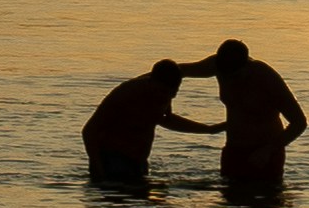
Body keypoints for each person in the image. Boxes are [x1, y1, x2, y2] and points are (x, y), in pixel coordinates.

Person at [181, 39, 307, 200]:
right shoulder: (217, 65)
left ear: (245, 65)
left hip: (264, 154)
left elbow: (299, 122)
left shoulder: (265, 76)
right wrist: (142, 85)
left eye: (234, 75)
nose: (230, 79)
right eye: (224, 75)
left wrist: (268, 150)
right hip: (233, 150)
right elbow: (176, 71)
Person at [81, 57, 224, 191]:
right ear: (151, 81)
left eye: (172, 93)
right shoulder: (125, 94)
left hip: (139, 163)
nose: (165, 97)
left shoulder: (165, 95)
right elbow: (89, 131)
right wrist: (98, 170)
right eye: (162, 91)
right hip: (112, 162)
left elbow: (164, 119)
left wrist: (210, 129)